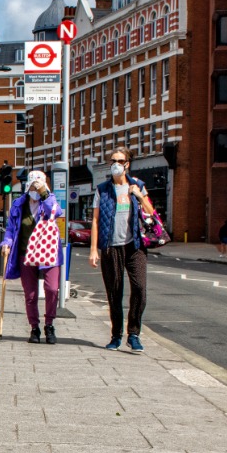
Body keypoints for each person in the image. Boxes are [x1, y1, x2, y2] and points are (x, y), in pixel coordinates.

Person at [89, 147, 154, 353]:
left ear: (127, 164)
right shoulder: (103, 189)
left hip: (135, 246)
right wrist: (93, 249)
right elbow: (96, 220)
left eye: (119, 160)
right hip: (111, 247)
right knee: (114, 292)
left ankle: (133, 334)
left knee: (140, 289)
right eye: (112, 160)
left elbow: (151, 212)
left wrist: (139, 195)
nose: (115, 164)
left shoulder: (138, 186)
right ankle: (116, 335)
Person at [1, 170, 64, 344]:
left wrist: (44, 192)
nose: (35, 189)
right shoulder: (18, 205)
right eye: (32, 186)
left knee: (52, 289)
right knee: (30, 294)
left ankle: (49, 324)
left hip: (48, 253)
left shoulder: (49, 201)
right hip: (25, 254)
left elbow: (55, 211)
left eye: (38, 185)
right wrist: (7, 242)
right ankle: (34, 327)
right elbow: (11, 229)